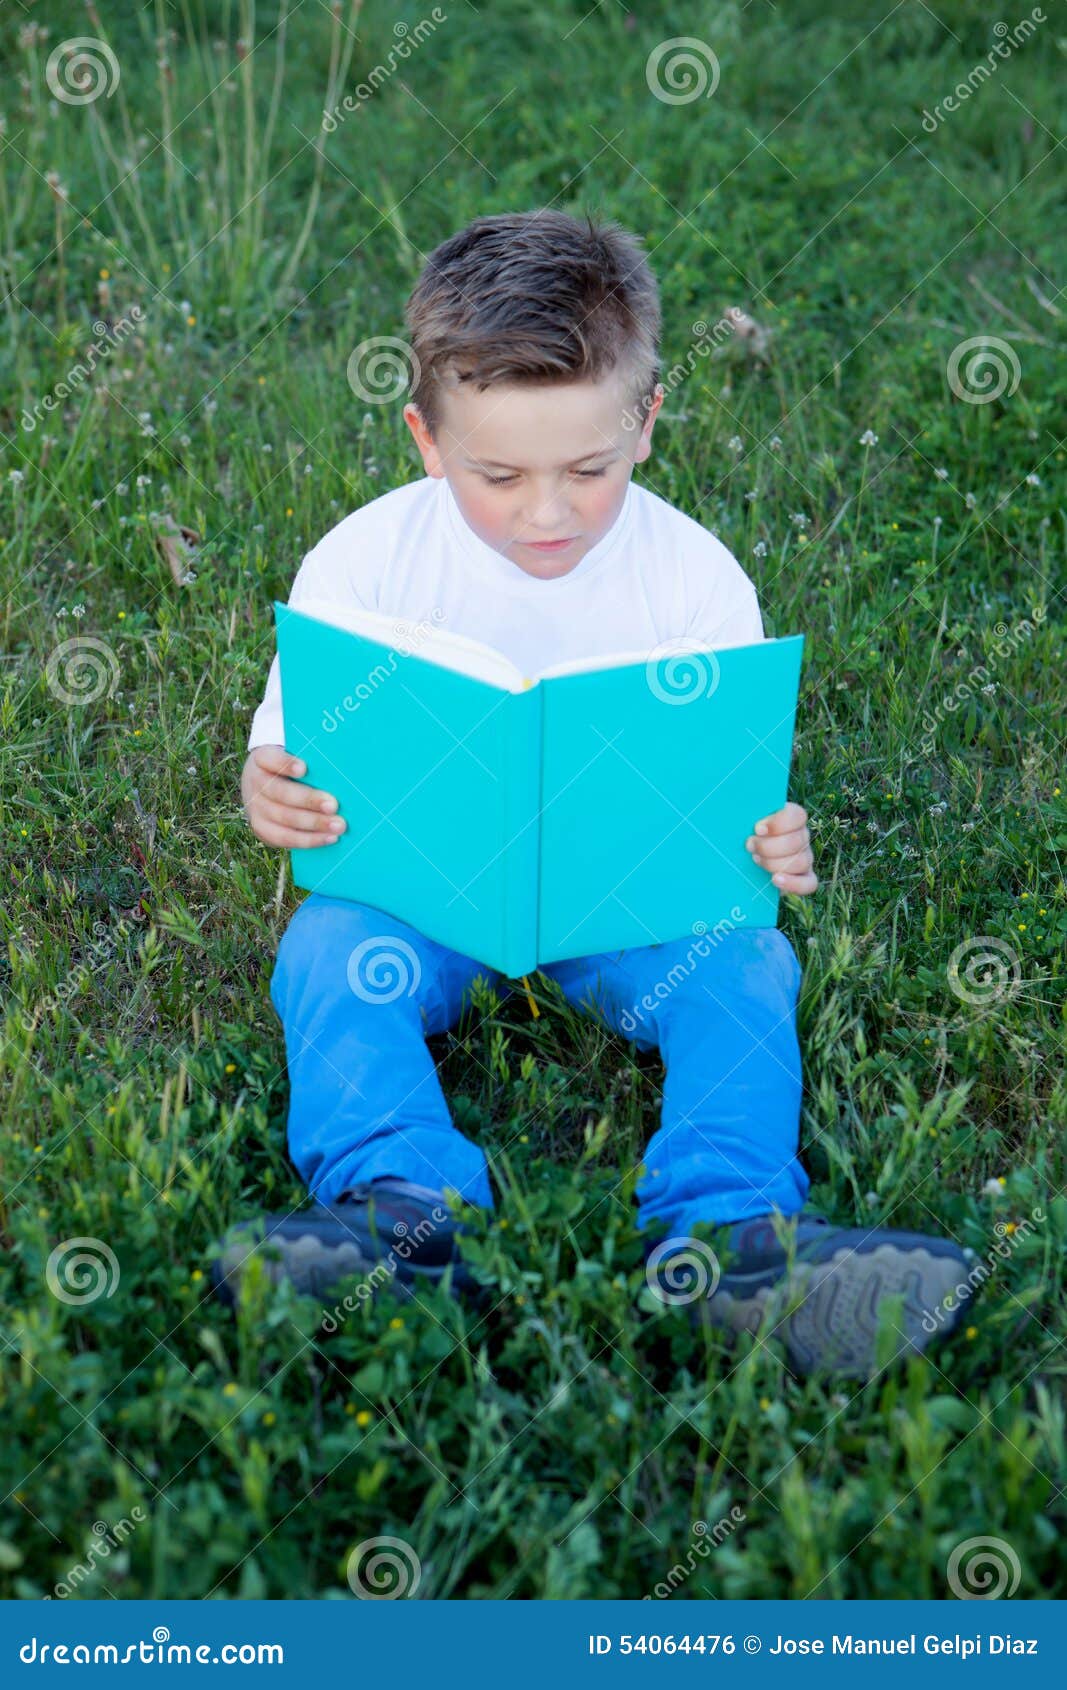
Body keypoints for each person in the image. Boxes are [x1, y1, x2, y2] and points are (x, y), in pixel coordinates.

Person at [211, 209, 969, 1376]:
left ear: (645, 422)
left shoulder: (694, 579)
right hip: (423, 901)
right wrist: (270, 791)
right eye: (498, 475)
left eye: (588, 469)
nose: (547, 513)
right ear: (424, 438)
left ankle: (731, 1232)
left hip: (627, 914)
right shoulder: (361, 562)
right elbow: (290, 751)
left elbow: (732, 795)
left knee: (744, 963)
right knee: (327, 950)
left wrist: (772, 842)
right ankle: (398, 1212)